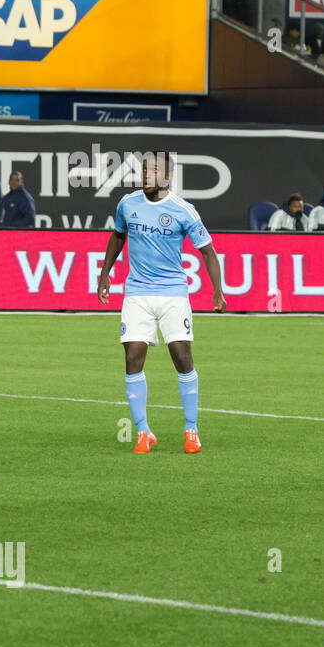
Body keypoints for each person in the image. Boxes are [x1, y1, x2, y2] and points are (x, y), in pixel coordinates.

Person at [96, 153, 224, 455]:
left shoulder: (184, 211)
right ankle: (143, 432)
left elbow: (208, 251)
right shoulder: (127, 204)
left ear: (167, 177)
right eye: (143, 169)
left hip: (173, 294)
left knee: (181, 355)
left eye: (153, 170)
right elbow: (118, 236)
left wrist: (218, 290)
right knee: (133, 357)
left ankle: (190, 429)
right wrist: (105, 274)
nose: (146, 174)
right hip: (137, 293)